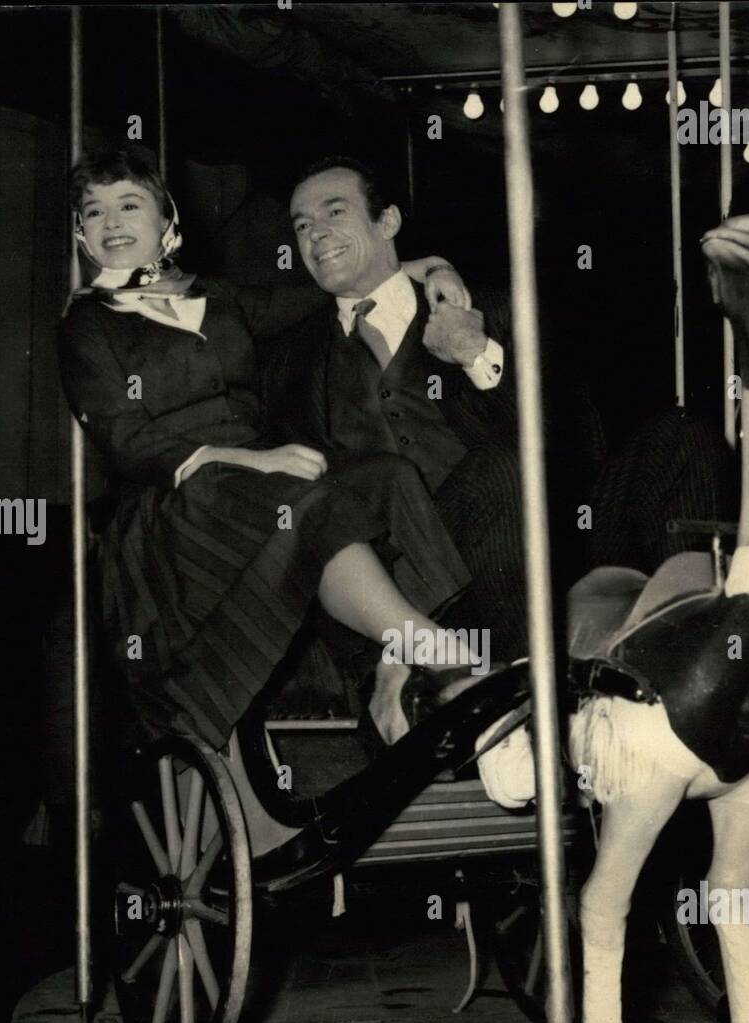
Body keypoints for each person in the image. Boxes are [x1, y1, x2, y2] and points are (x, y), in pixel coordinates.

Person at [57, 148, 491, 756]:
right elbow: (129, 442)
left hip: (261, 484)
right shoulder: (87, 325)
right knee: (305, 499)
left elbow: (332, 288)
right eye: (93, 212)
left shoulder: (217, 297)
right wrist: (251, 460)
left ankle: (391, 665)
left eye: (129, 205)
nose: (112, 223)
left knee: (387, 475)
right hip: (179, 506)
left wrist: (431, 267)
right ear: (82, 233)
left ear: (166, 220)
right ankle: (442, 654)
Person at [261, 157, 526, 736]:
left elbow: (560, 442)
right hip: (382, 583)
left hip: (501, 559)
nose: (316, 234)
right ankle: (406, 661)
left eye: (335, 212)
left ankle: (483, 683)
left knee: (505, 468)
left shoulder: (490, 310)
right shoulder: (287, 357)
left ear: (388, 221)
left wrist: (476, 355)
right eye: (302, 226)